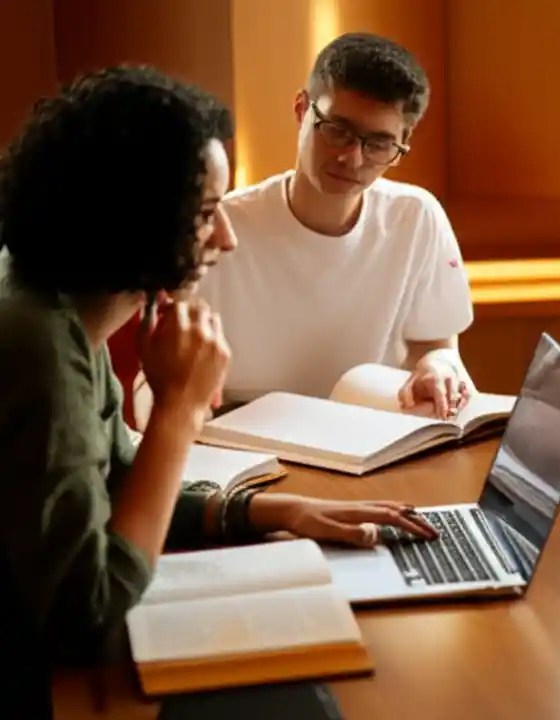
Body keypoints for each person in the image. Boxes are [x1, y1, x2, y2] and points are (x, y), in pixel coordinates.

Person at [0, 66, 437, 712]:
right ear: (128, 213)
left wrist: (273, 510)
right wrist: (178, 411)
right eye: (205, 215)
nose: (226, 237)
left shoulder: (55, 302)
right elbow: (86, 613)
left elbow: (121, 481)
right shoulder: (39, 346)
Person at [196, 32, 474, 418]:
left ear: (403, 140)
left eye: (378, 143)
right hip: (243, 438)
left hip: (369, 436)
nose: (352, 158)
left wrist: (439, 368)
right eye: (338, 131)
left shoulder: (415, 217)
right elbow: (156, 380)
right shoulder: (222, 228)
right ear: (301, 108)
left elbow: (438, 346)